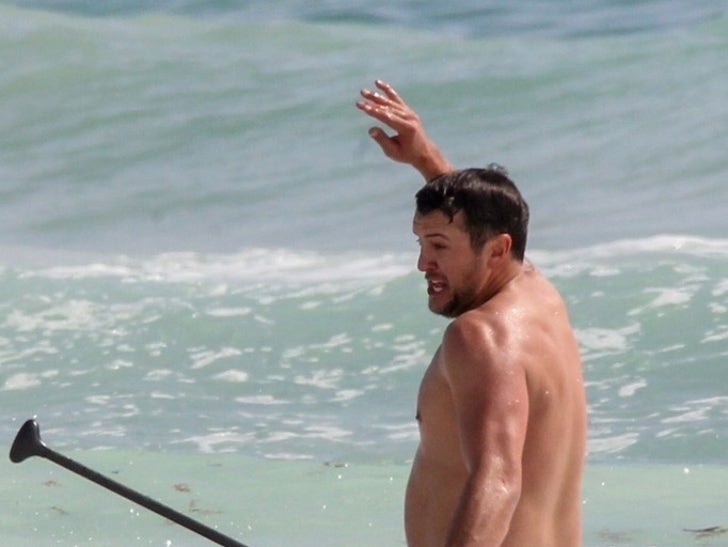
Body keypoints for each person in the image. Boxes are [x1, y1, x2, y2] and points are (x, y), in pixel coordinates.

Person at [356, 80, 587, 547]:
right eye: (422, 244)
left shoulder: (481, 337)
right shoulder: (539, 296)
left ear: (496, 251)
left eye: (439, 247)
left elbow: (498, 482)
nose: (423, 263)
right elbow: (490, 219)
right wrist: (426, 159)